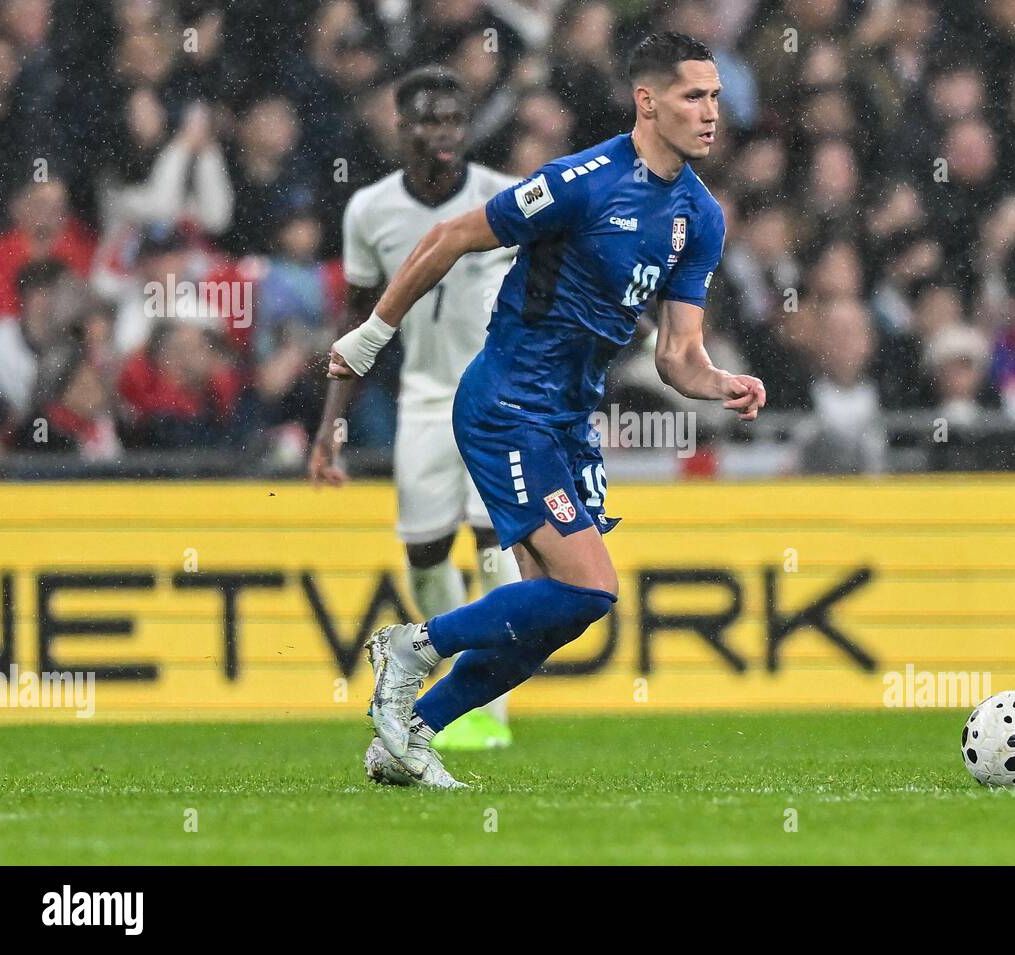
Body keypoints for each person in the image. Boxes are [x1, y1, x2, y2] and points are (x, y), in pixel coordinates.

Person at [329, 32, 766, 788]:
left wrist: (718, 379)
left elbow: (675, 355)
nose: (710, 113)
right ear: (648, 101)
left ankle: (409, 735)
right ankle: (411, 647)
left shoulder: (699, 217)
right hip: (506, 403)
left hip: (567, 423)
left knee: (552, 614)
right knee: (592, 585)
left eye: (716, 97)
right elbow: (450, 235)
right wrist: (373, 334)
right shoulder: (582, 180)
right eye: (694, 96)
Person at [309, 66, 524, 753]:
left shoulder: (503, 199)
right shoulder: (370, 212)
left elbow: (555, 280)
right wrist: (329, 429)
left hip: (499, 396)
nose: (441, 132)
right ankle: (463, 657)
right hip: (425, 402)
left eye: (454, 119)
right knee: (426, 556)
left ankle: (490, 707)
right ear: (398, 127)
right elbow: (356, 317)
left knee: (497, 548)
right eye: (426, 119)